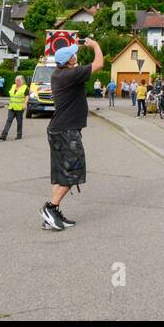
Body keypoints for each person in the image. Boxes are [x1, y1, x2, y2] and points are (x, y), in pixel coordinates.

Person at [41, 38, 104, 232]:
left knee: (61, 174)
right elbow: (99, 64)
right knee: (74, 172)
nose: (75, 55)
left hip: (59, 130)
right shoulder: (71, 75)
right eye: (73, 54)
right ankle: (50, 208)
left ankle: (53, 215)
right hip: (66, 131)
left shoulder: (60, 74)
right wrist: (95, 46)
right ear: (69, 61)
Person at [0, 75, 27, 141]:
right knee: (9, 120)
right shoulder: (13, 86)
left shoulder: (25, 87)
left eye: (18, 80)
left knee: (19, 122)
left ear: (22, 81)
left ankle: (19, 135)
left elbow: (27, 96)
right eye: (16, 80)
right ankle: (4, 135)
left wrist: (25, 104)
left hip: (19, 108)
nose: (16, 82)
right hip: (11, 107)